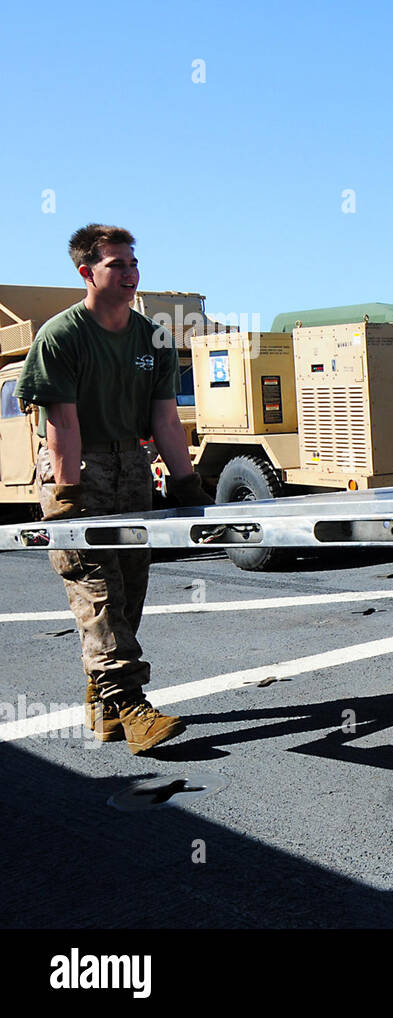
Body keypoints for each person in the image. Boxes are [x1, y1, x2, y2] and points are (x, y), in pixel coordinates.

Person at [16, 224, 211, 754]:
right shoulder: (62, 335)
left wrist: (188, 484)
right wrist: (67, 495)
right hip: (80, 465)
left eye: (133, 263)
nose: (129, 274)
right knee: (95, 586)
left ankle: (105, 703)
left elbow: (166, 419)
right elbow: (62, 422)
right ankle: (131, 707)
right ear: (87, 272)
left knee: (129, 588)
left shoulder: (153, 336)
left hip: (133, 466)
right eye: (115, 265)